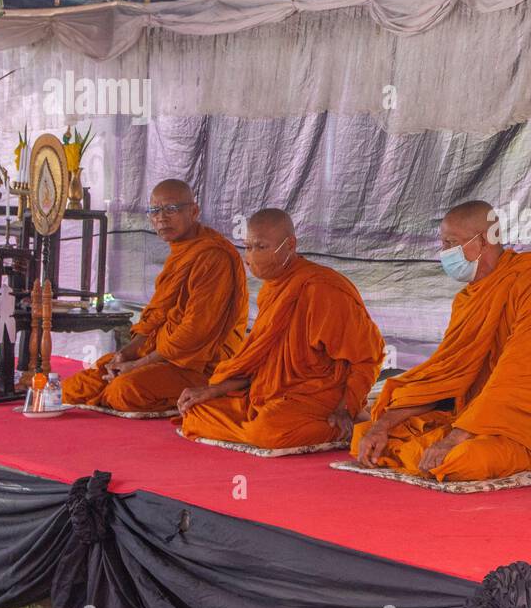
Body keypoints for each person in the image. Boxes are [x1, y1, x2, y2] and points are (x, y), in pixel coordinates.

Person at [351, 200, 531, 481]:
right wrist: (383, 425)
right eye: (443, 243)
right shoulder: (468, 299)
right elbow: (446, 376)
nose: (444, 253)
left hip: (521, 427)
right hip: (468, 418)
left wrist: (454, 439)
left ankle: (453, 447)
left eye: (450, 242)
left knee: (460, 461)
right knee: (368, 437)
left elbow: (515, 377)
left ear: (483, 241)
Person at [178, 209, 384, 450]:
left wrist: (345, 409)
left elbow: (367, 357)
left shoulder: (322, 289)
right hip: (266, 394)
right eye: (248, 247)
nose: (250, 257)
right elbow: (257, 364)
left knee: (266, 432)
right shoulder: (271, 290)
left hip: (316, 395)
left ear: (290, 245)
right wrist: (212, 391)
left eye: (261, 247)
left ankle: (343, 429)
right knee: (195, 411)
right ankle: (266, 428)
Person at [63, 180, 247, 413]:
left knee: (121, 392)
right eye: (154, 211)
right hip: (160, 356)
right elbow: (156, 318)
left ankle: (205, 394)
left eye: (171, 209)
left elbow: (195, 332)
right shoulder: (181, 253)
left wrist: (139, 364)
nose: (161, 218)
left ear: (194, 211)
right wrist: (125, 354)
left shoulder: (213, 257)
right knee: (74, 388)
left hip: (200, 365)